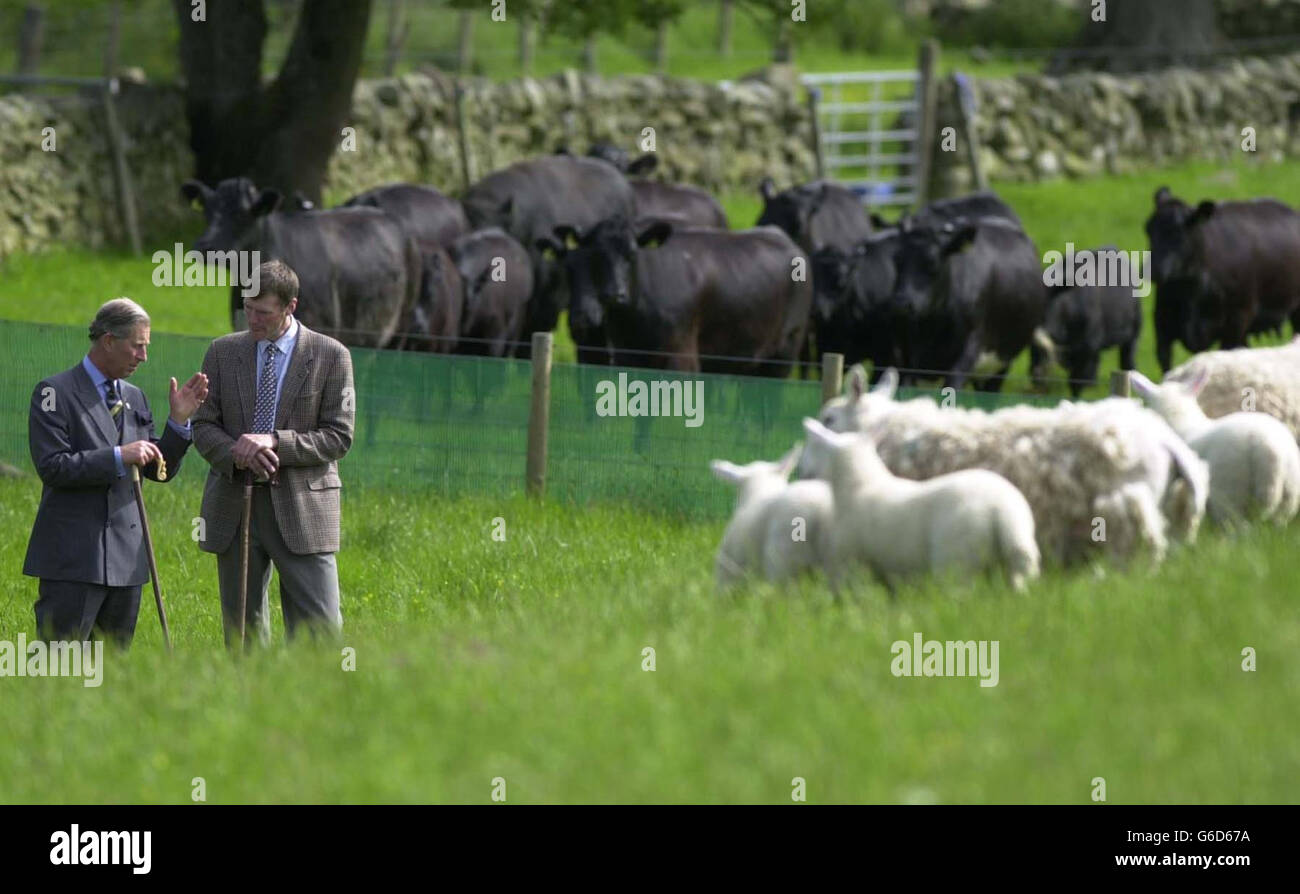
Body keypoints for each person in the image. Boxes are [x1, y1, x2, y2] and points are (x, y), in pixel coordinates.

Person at [24, 298, 209, 646]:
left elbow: (157, 471)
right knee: (57, 668)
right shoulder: (54, 393)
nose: (143, 356)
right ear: (109, 340)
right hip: (73, 560)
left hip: (127, 563)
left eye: (146, 347)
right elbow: (53, 467)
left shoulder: (136, 397)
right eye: (137, 346)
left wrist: (179, 423)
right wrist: (116, 456)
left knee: (112, 675)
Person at [191, 260, 355, 646]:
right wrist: (237, 451)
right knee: (242, 634)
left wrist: (276, 441)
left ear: (290, 306)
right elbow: (203, 425)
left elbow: (338, 436)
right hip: (236, 506)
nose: (252, 319)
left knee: (320, 634)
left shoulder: (331, 356)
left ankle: (313, 704)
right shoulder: (222, 352)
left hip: (303, 507)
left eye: (262, 312)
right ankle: (250, 702)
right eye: (247, 308)